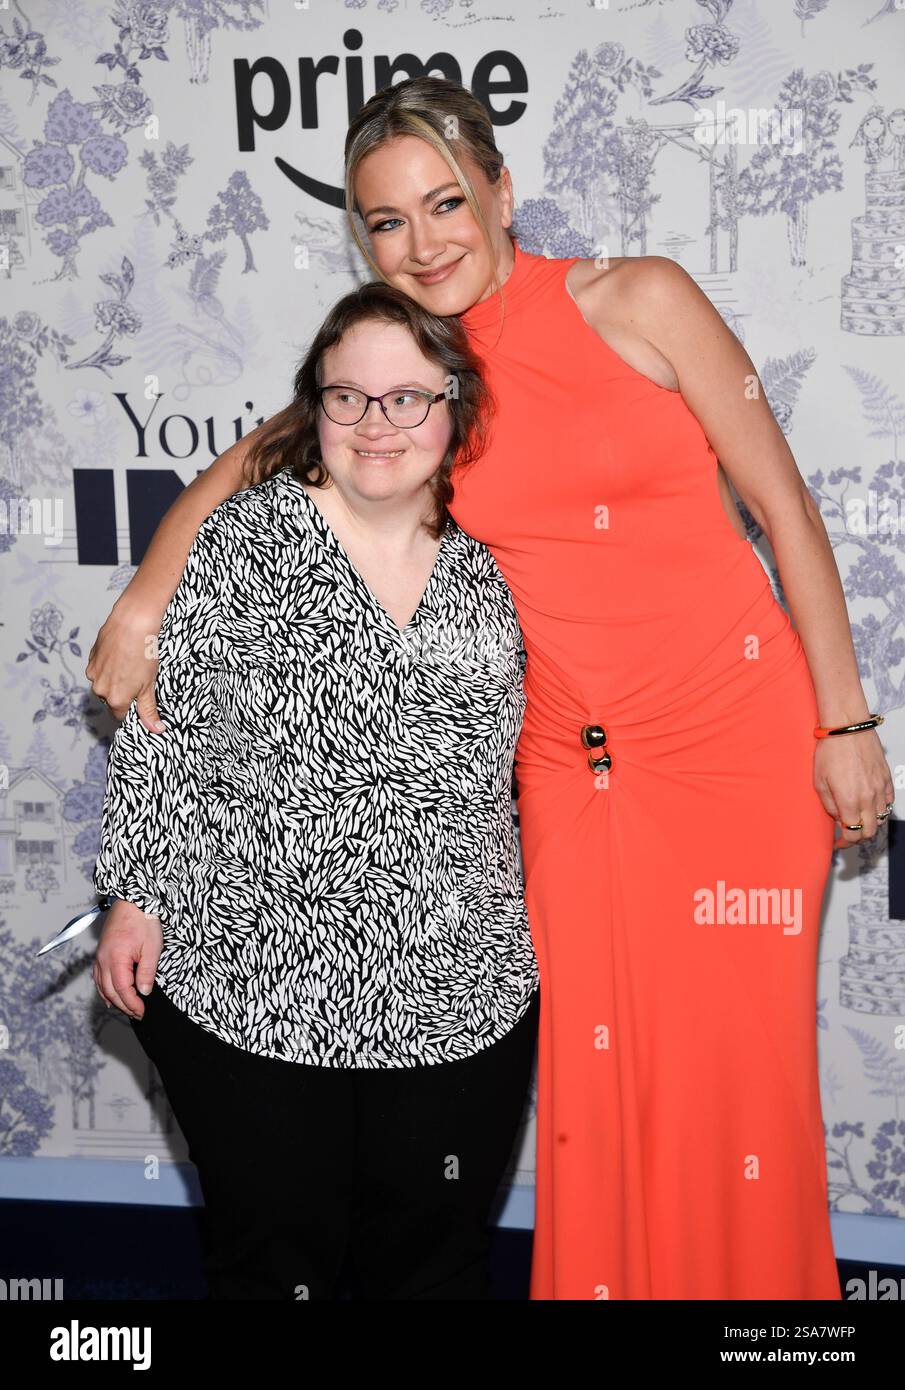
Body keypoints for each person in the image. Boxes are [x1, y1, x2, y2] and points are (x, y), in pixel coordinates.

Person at [87, 76, 895, 1300]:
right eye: (386, 222)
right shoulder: (417, 375)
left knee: (738, 1088)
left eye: (445, 202)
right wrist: (148, 594)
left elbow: (781, 506)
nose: (421, 243)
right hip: (568, 776)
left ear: (502, 190)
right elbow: (253, 460)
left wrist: (842, 719)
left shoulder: (640, 297)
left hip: (731, 750)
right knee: (596, 1089)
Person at [92, 281, 540, 1300]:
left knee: (430, 1266)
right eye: (347, 398)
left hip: (454, 994)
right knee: (276, 1263)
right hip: (255, 980)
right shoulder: (244, 540)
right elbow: (168, 729)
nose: (375, 425)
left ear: (453, 409)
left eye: (406, 399)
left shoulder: (502, 559)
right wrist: (135, 894)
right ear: (313, 411)